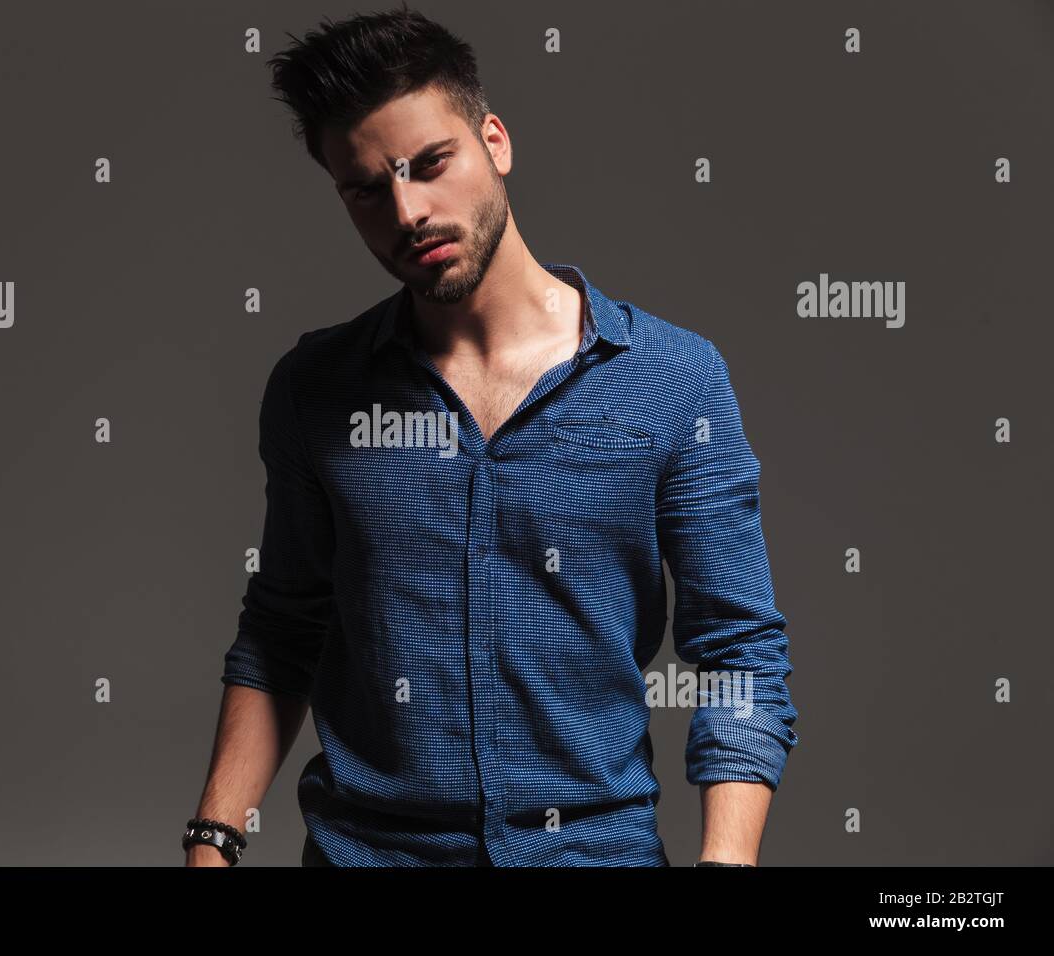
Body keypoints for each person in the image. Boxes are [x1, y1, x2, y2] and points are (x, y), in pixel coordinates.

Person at [185, 5, 798, 867]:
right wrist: (212, 844)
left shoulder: (675, 380)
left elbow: (737, 651)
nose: (409, 212)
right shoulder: (315, 390)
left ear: (495, 143)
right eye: (368, 189)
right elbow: (285, 627)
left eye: (430, 164)